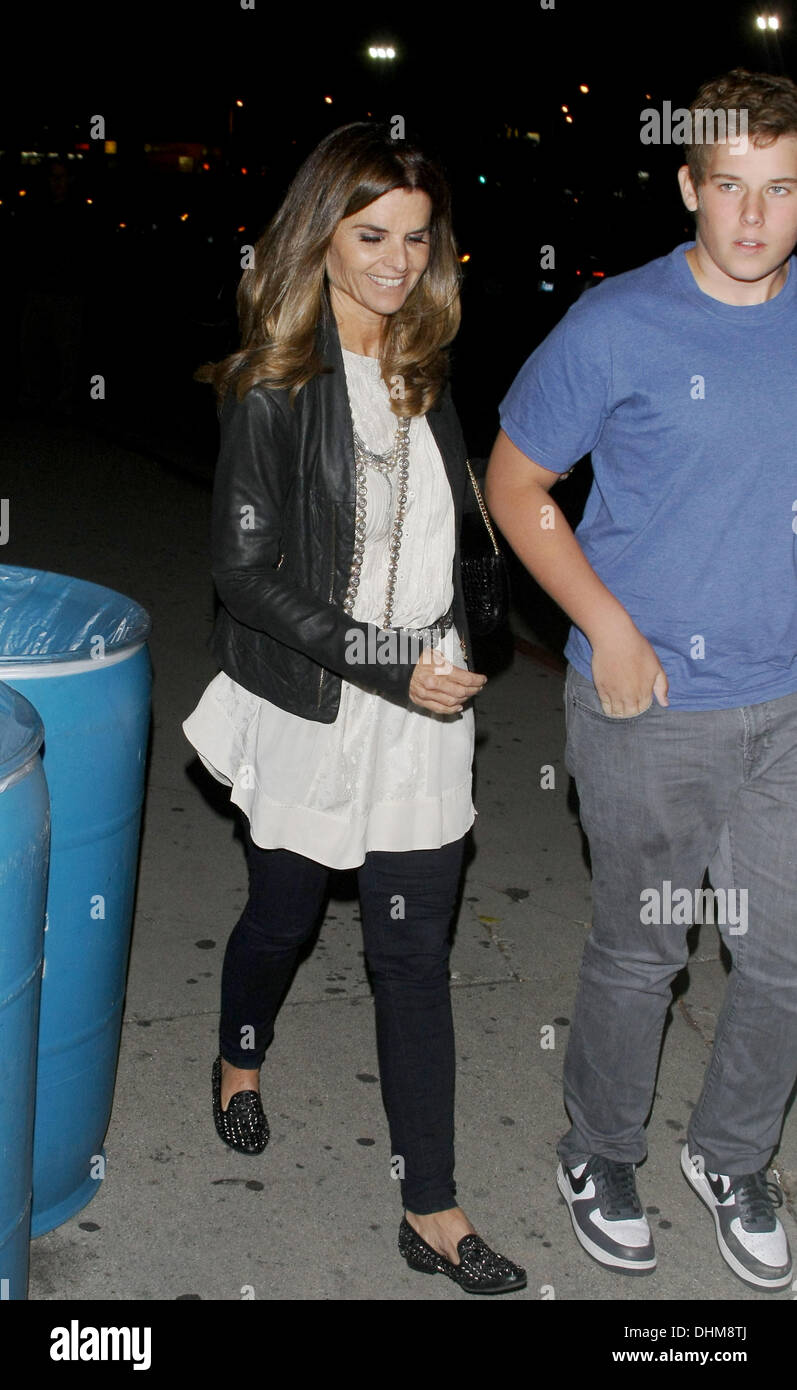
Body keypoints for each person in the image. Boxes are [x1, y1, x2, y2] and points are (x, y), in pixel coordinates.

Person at [182, 121, 526, 1295]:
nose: (394, 259)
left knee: (409, 956)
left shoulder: (424, 371)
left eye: (416, 239)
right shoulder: (272, 383)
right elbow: (245, 574)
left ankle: (428, 1206)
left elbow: (445, 534)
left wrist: (469, 635)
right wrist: (386, 660)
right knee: (279, 919)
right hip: (318, 702)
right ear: (318, 233)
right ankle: (237, 1055)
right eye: (370, 233)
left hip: (422, 711)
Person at [486, 68, 797, 1292]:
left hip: (785, 702)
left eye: (779, 189)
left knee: (778, 954)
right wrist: (606, 629)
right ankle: (599, 1150)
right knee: (644, 949)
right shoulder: (616, 324)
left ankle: (729, 1154)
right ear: (687, 186)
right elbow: (513, 484)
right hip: (648, 702)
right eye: (729, 187)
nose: (753, 215)